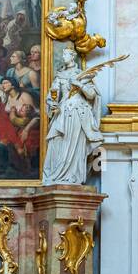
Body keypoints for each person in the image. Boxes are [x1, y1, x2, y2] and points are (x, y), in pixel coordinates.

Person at [42, 48, 103, 185]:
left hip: (78, 113)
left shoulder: (82, 75)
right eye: (62, 54)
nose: (63, 56)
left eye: (65, 54)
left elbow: (92, 95)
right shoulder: (60, 75)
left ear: (72, 56)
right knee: (57, 142)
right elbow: (53, 94)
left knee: (75, 146)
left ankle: (72, 176)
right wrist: (52, 103)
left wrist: (79, 84)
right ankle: (57, 176)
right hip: (63, 112)